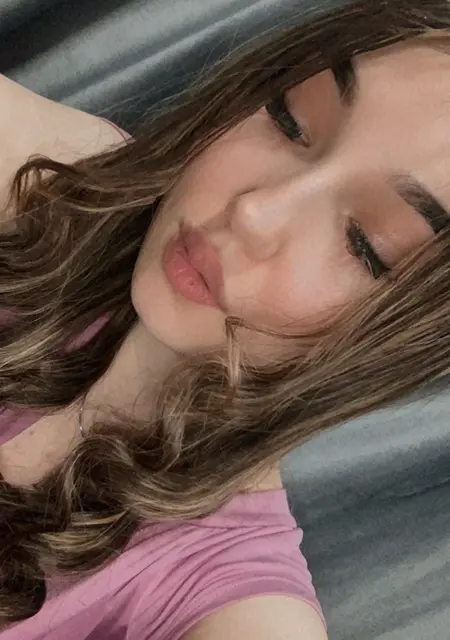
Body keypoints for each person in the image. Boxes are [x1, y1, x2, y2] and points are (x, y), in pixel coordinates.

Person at [1, 0, 450, 637]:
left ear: (398, 345)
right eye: (289, 119)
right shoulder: (62, 187)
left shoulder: (226, 594)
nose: (255, 212)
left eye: (366, 245)